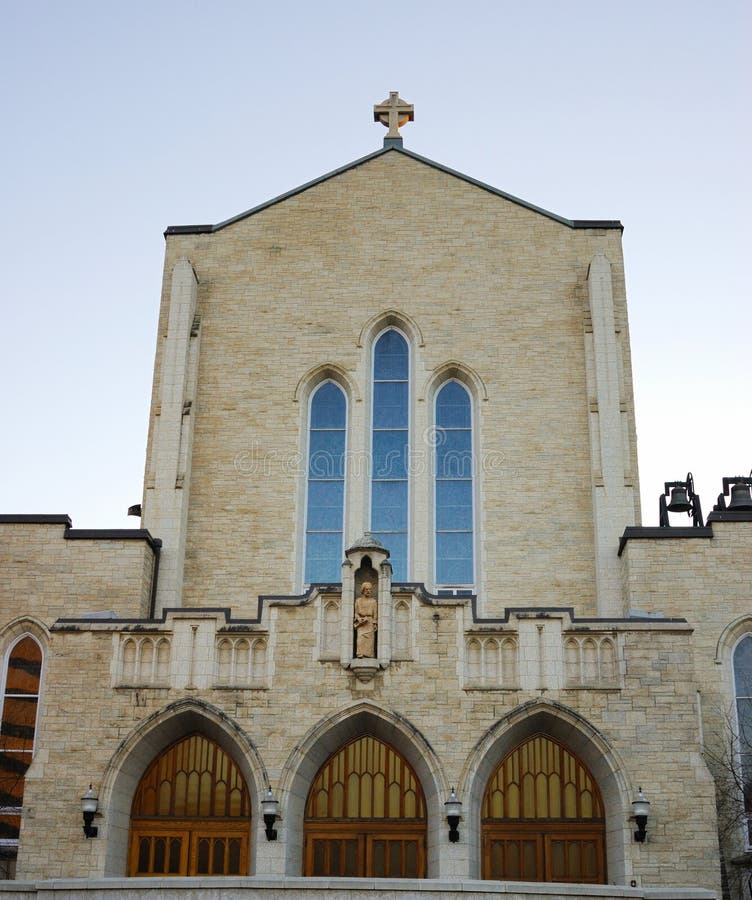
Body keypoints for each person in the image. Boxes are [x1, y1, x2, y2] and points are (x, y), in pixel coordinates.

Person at [354, 581, 377, 658]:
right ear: (363, 590)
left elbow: (375, 615)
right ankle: (360, 653)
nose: (368, 591)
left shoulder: (373, 601)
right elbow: (356, 613)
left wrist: (374, 624)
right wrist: (359, 618)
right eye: (366, 589)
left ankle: (369, 655)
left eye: (370, 589)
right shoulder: (358, 601)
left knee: (369, 641)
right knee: (360, 639)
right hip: (361, 624)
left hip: (369, 622)